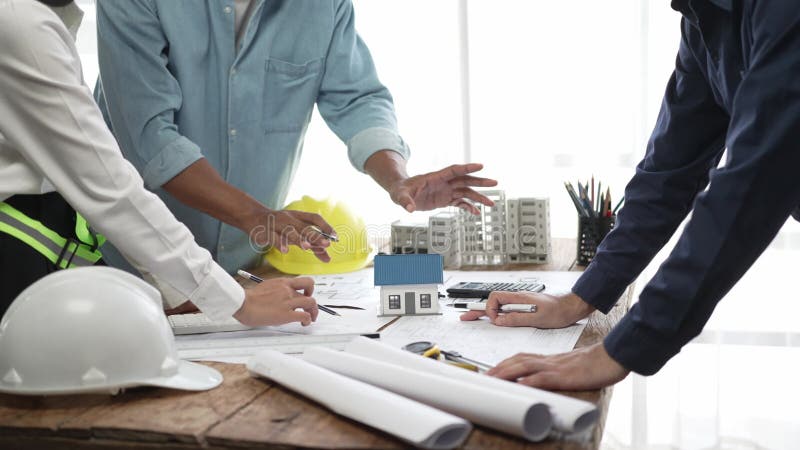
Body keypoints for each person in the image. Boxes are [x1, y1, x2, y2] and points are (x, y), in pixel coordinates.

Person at [462, 0, 800, 390]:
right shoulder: (702, 16)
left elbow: (750, 186)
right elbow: (667, 174)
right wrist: (581, 297)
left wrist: (622, 349)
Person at [93, 0, 497, 295]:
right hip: (127, 263)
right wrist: (257, 216)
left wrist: (398, 180)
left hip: (242, 271)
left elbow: (357, 99)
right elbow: (150, 139)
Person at [0, 0, 318, 328]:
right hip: (17, 263)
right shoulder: (19, 22)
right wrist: (236, 302)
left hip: (48, 257)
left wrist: (187, 292)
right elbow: (107, 187)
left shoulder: (38, 20)